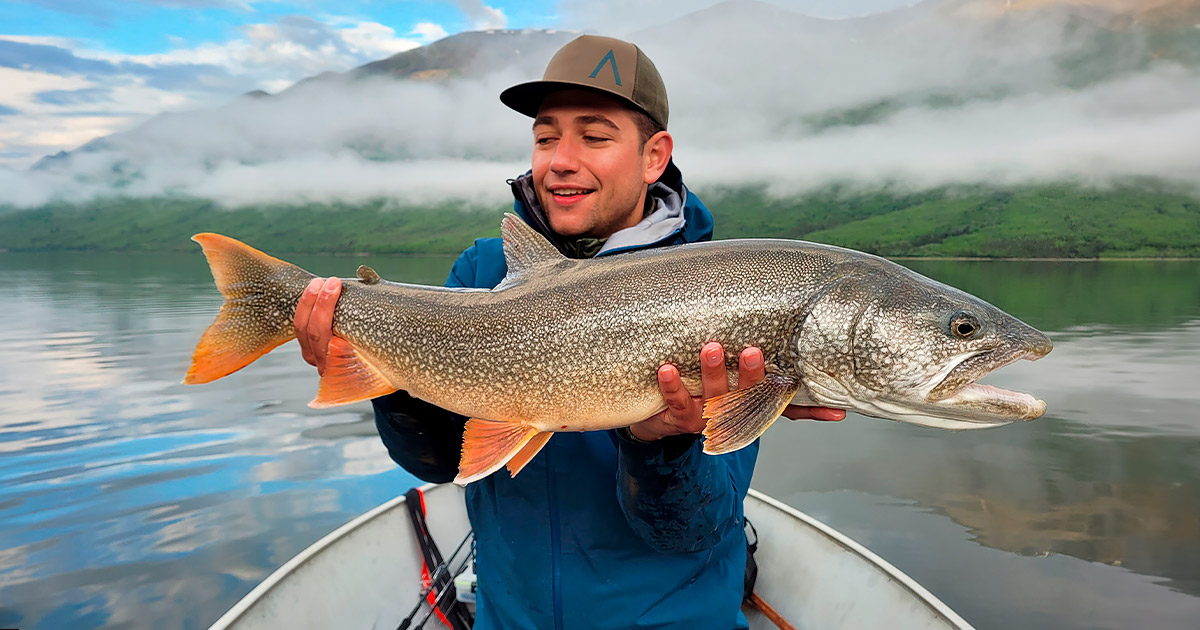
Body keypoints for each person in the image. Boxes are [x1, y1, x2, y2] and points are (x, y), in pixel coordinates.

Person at [293, 35, 845, 629]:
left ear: (654, 157)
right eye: (545, 137)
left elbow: (691, 531)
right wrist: (383, 370)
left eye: (595, 136)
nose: (560, 159)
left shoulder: (730, 291)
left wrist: (661, 443)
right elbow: (442, 462)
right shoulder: (483, 273)